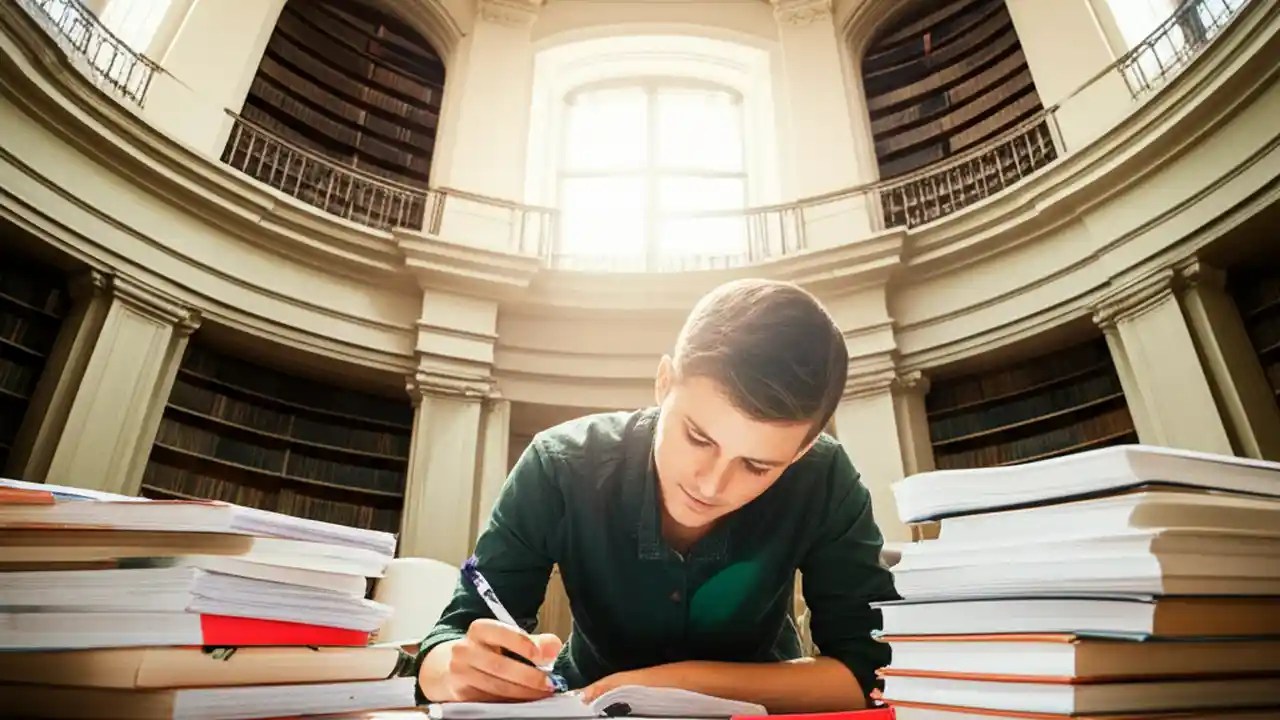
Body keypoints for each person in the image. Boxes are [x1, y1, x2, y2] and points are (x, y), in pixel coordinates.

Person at [414, 278, 899, 711]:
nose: (711, 485)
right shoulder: (559, 465)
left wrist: (667, 684)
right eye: (698, 437)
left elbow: (868, 670)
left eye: (757, 465)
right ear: (664, 382)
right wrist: (452, 670)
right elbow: (450, 640)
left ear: (801, 451)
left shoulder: (825, 476)